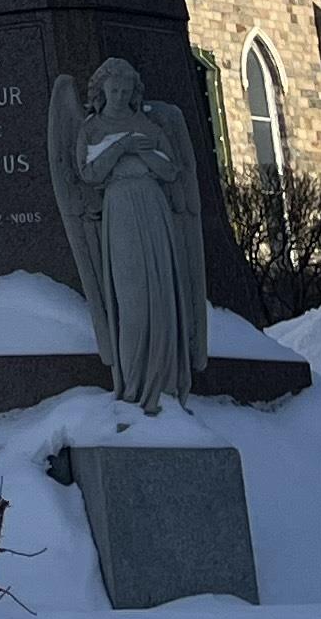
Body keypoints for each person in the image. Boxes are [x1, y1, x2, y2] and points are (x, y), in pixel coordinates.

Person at [46, 58, 210, 411]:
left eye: (125, 90)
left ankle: (164, 383)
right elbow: (88, 173)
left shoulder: (149, 124)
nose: (119, 96)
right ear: (101, 92)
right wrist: (123, 147)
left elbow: (171, 170)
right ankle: (134, 383)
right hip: (119, 211)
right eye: (113, 90)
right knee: (132, 296)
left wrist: (144, 152)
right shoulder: (91, 129)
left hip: (154, 210)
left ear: (134, 92)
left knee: (161, 295)